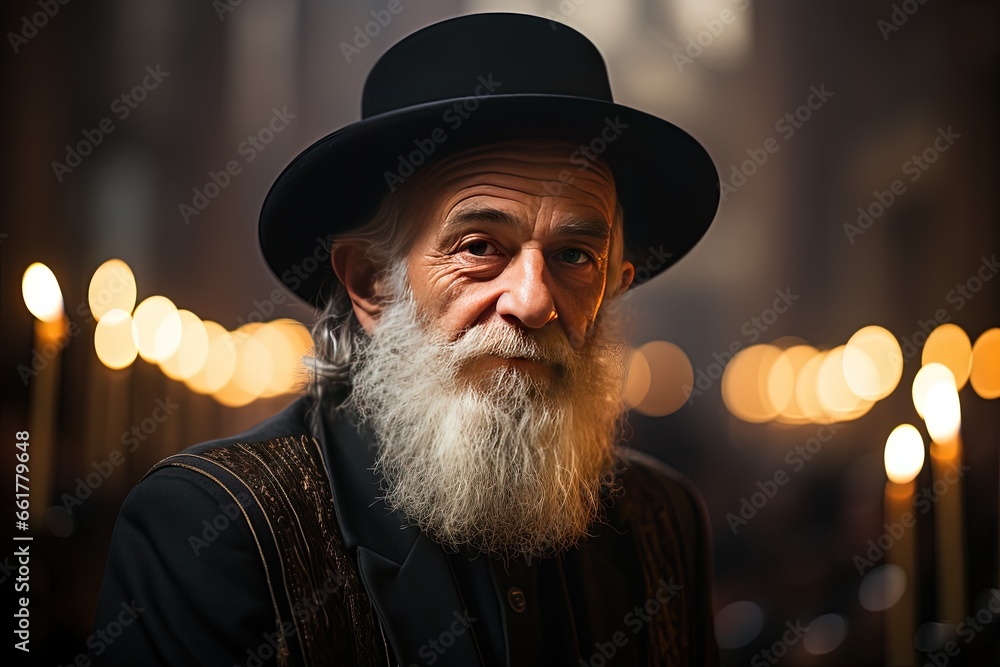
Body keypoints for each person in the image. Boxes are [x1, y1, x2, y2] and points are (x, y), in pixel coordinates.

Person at [91, 12, 721, 666]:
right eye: (479, 247)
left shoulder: (662, 522)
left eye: (574, 256)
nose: (533, 301)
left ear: (614, 287)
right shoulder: (214, 525)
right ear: (371, 283)